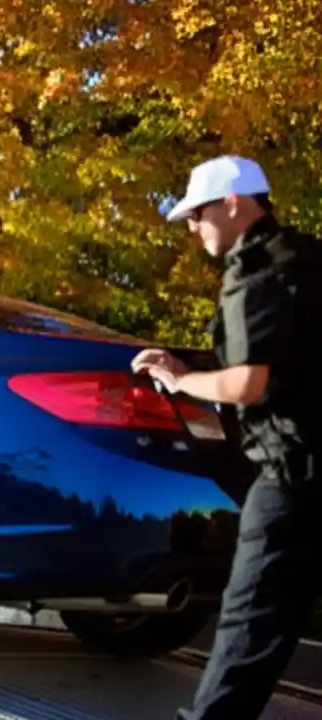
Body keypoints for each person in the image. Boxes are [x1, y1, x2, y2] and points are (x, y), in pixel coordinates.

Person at [131, 155, 322, 719]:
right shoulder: (309, 257)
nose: (192, 228)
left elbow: (247, 383)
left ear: (233, 204)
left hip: (295, 474)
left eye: (198, 214)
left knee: (251, 617)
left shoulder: (254, 273)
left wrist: (181, 379)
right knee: (274, 621)